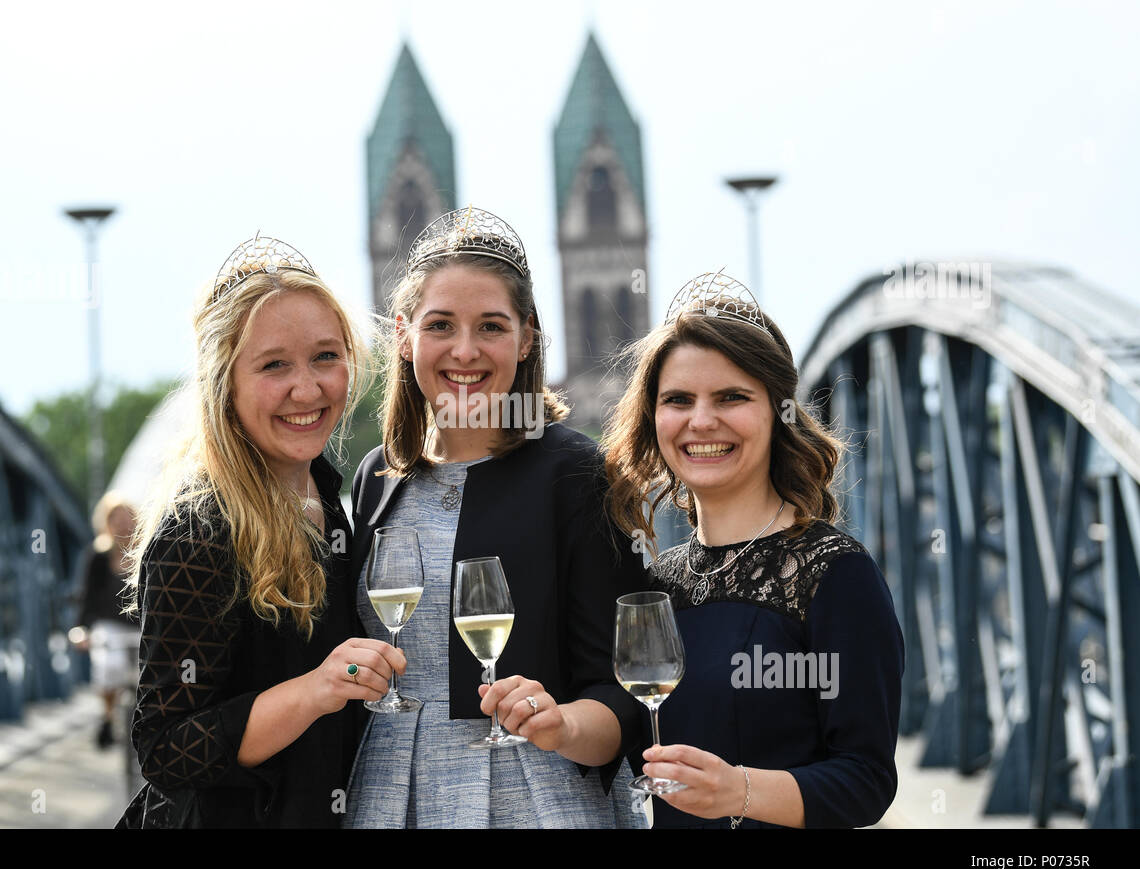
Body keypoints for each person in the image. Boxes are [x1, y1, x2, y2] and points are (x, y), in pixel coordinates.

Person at [344, 206, 649, 829]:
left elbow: (623, 693)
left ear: (527, 335)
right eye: (440, 325)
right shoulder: (377, 476)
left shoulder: (574, 470)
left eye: (491, 325)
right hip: (385, 796)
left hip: (533, 796)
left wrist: (559, 722)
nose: (465, 350)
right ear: (404, 336)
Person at [116, 236, 405, 828]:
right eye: (275, 365)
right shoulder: (199, 528)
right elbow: (165, 748)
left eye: (326, 356)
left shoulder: (326, 495)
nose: (308, 388)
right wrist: (315, 689)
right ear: (225, 384)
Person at [603, 270, 905, 829]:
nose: (701, 420)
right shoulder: (656, 586)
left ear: (778, 413)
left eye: (731, 397)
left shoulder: (835, 575)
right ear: (654, 418)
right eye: (678, 400)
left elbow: (866, 779)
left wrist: (739, 791)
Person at [75, 491, 139, 748]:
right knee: (109, 666)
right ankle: (108, 715)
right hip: (109, 625)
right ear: (106, 523)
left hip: (141, 626)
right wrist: (81, 630)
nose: (122, 524)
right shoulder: (98, 557)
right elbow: (87, 597)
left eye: (127, 518)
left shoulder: (147, 552)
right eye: (116, 518)